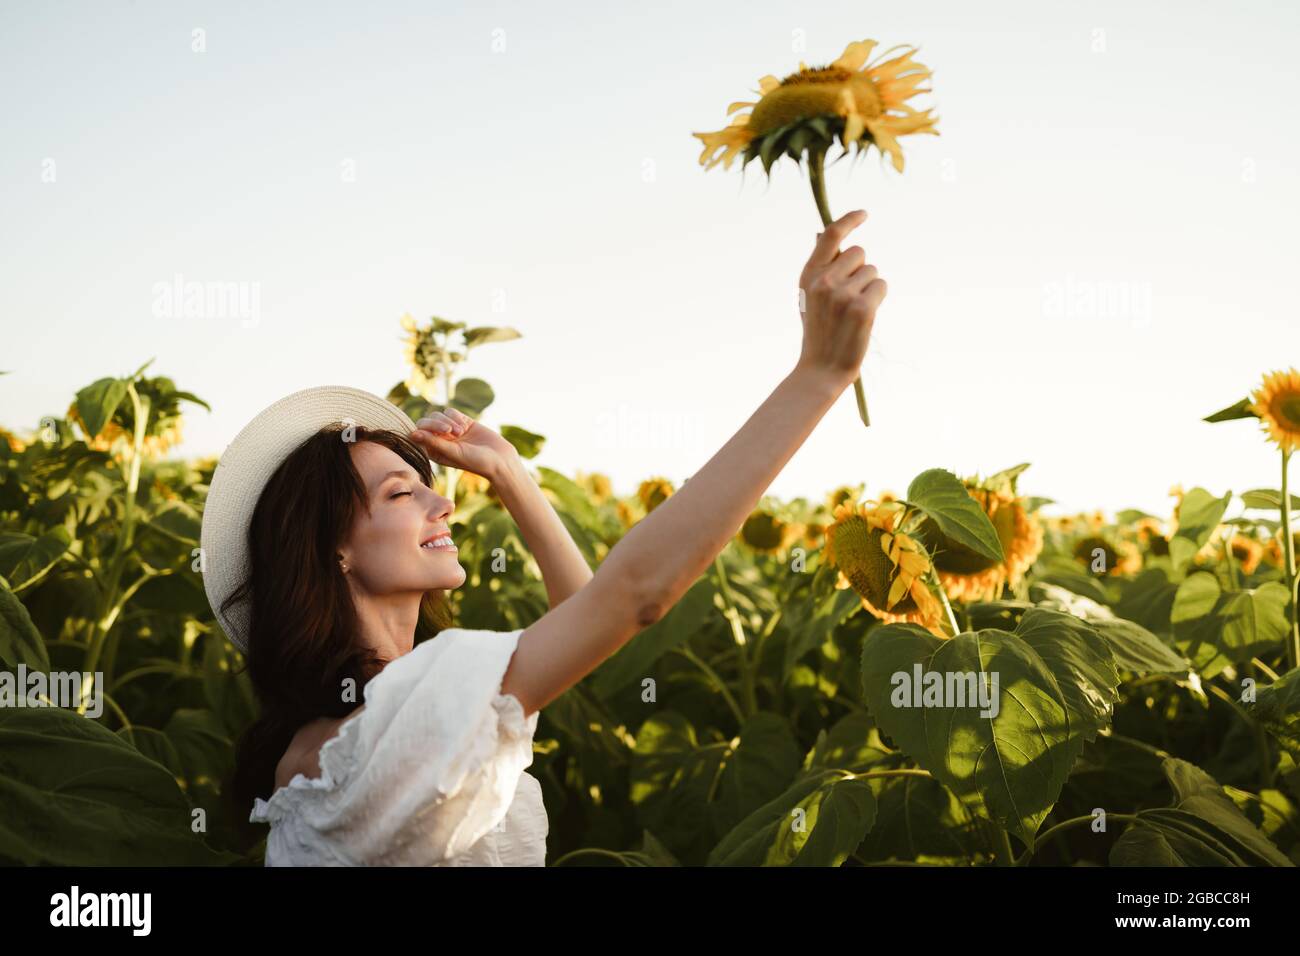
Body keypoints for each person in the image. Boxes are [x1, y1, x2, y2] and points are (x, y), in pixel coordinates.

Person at [201, 209, 885, 865]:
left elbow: (589, 624)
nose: (443, 503)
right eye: (403, 493)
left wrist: (509, 474)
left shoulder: (350, 732)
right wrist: (817, 377)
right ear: (333, 550)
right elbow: (632, 599)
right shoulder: (391, 723)